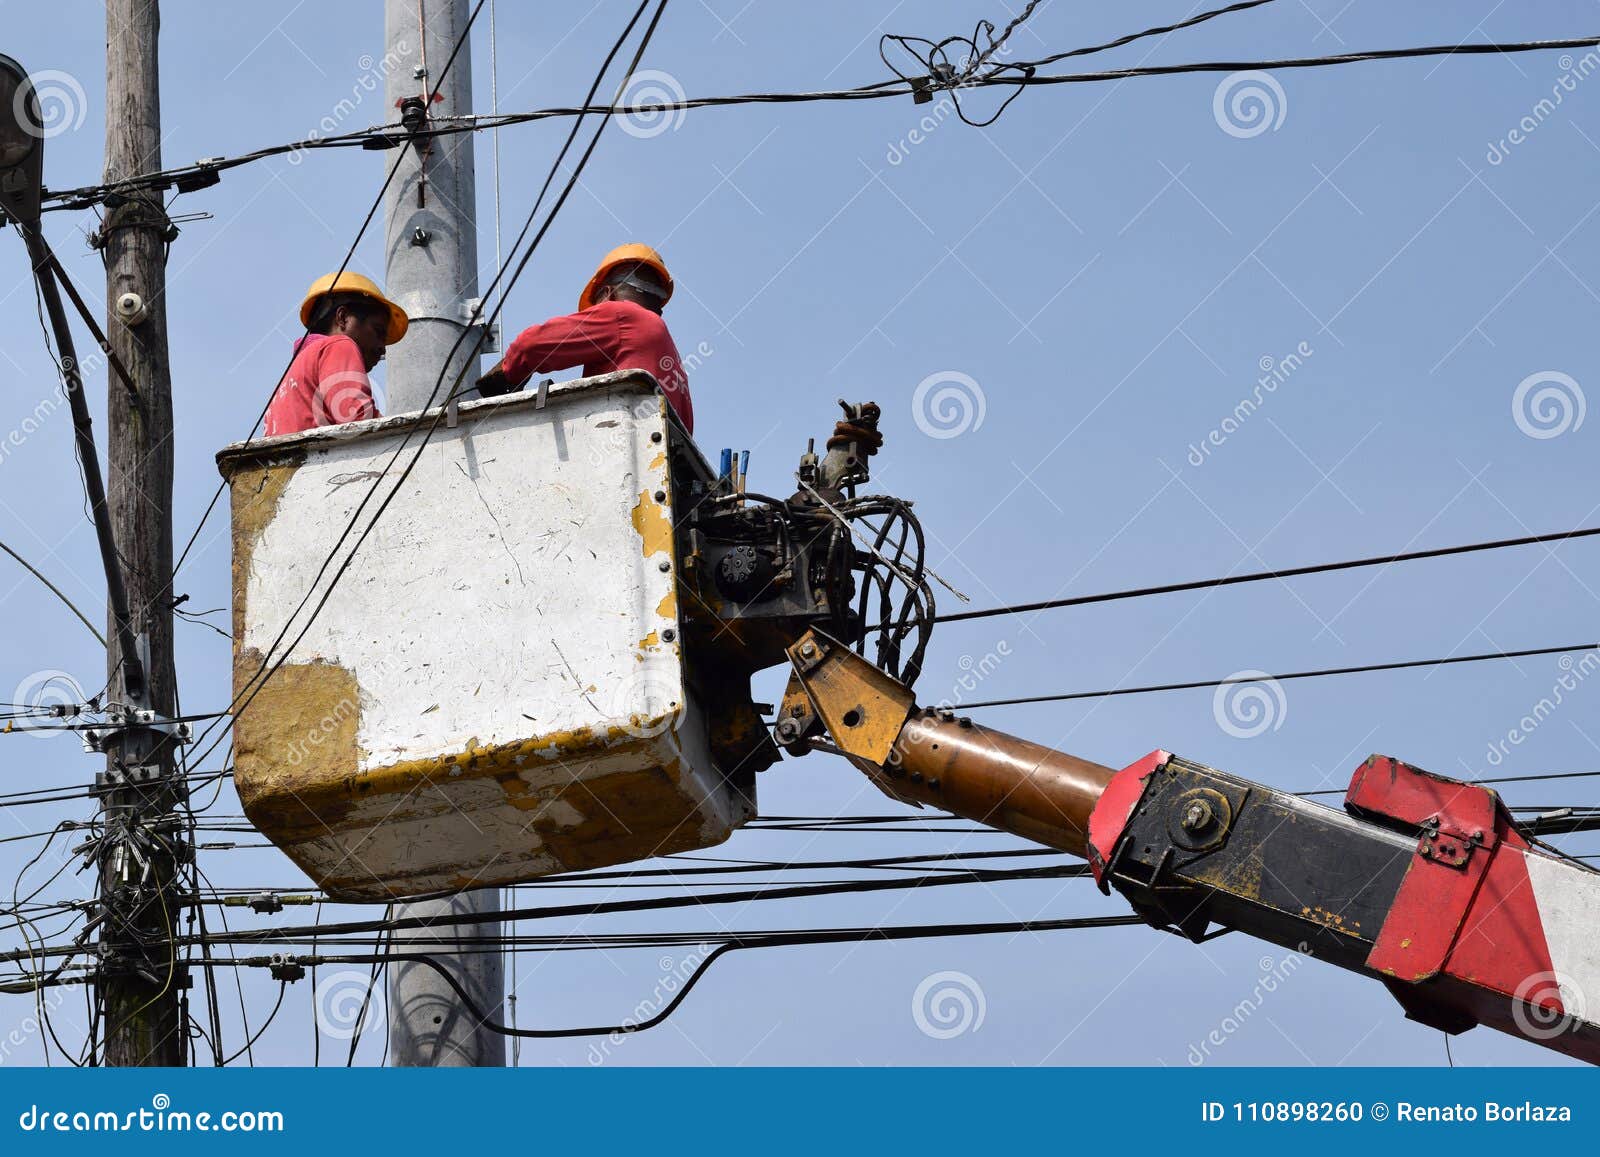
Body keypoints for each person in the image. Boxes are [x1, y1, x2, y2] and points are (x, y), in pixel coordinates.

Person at [476, 244, 693, 433]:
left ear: (607, 293)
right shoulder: (675, 365)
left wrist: (508, 373)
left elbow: (530, 346)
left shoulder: (623, 316)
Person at [264, 272, 408, 438]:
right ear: (343, 318)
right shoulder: (340, 346)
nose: (382, 349)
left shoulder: (292, 374)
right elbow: (359, 423)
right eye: (378, 331)